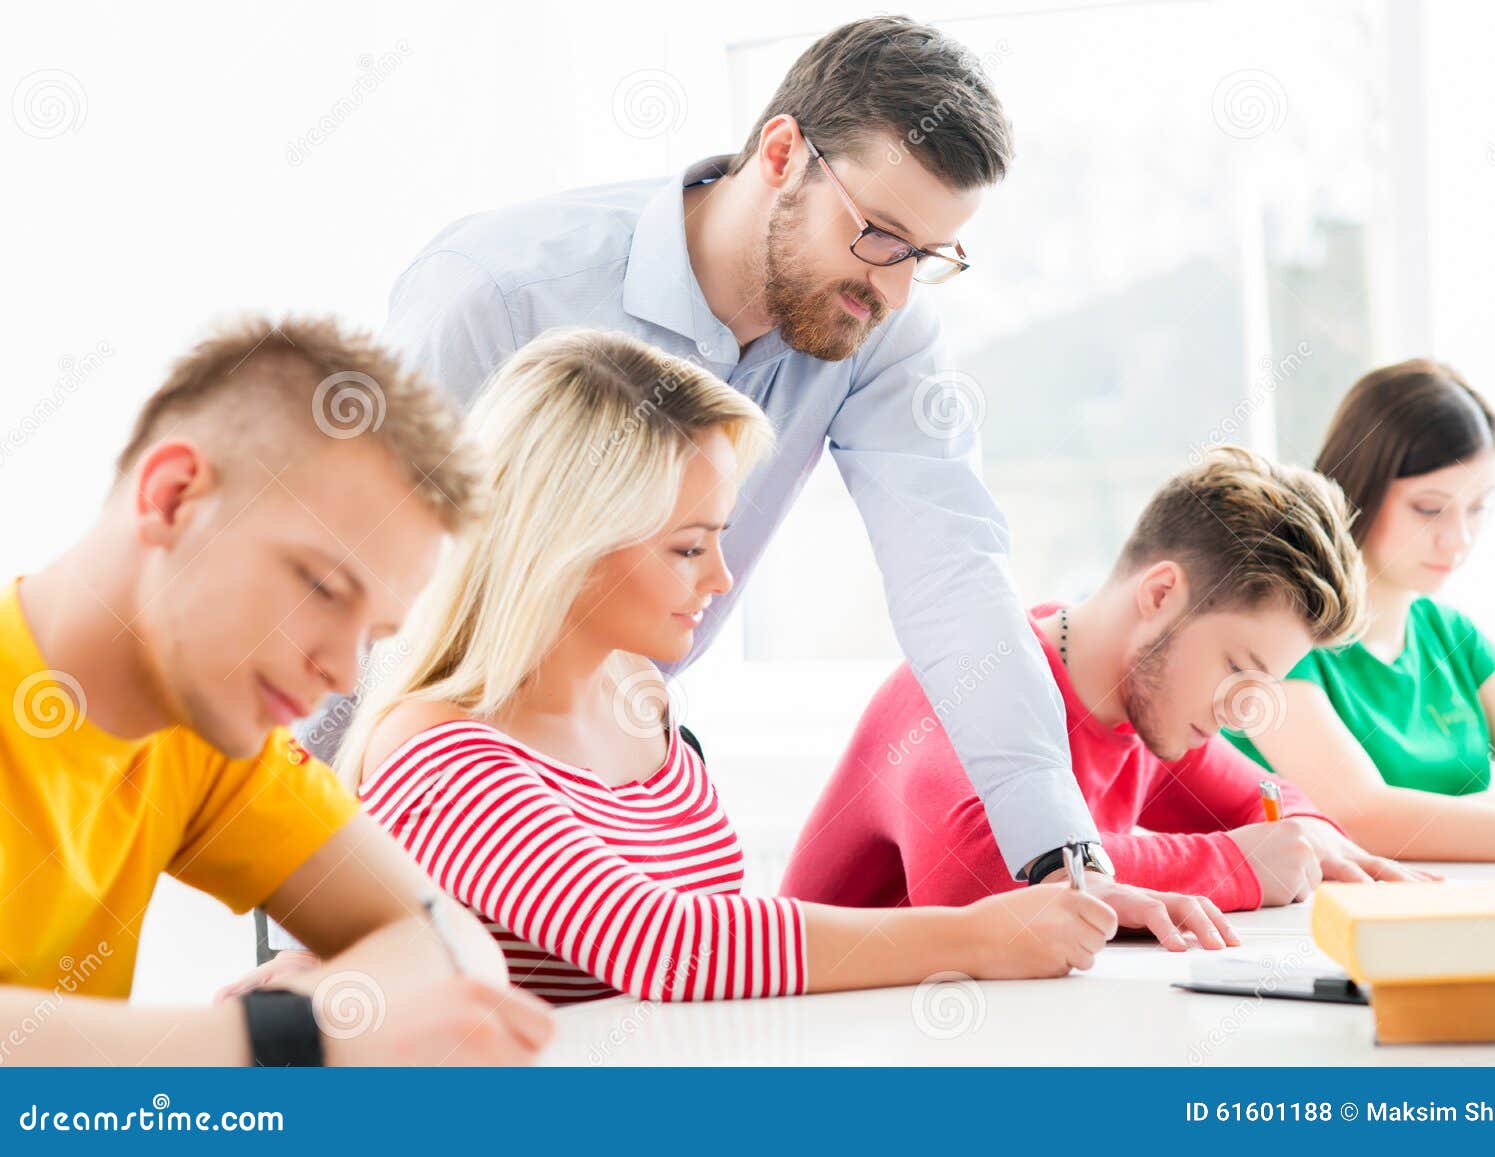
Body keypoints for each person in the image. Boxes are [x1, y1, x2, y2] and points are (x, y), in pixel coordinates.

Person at [326, 14, 1140, 907]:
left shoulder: (878, 323)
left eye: (929, 256)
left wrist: (1064, 857)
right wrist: (316, 917)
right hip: (414, 797)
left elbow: (952, 572)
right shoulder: (494, 294)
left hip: (624, 776)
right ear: (783, 153)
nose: (895, 289)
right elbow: (358, 591)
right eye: (878, 233)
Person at [332, 328, 1119, 1003]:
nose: (719, 577)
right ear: (565, 546)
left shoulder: (636, 690)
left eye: (718, 535)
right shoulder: (435, 754)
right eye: (687, 547)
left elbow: (724, 946)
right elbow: (667, 946)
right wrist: (970, 940)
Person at [0, 316, 553, 1065]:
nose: (343, 673)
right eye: (324, 587)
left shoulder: (205, 734)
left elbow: (450, 945)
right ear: (172, 497)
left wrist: (326, 1010)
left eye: (373, 633)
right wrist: (293, 1034)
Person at [781, 448, 1431, 935]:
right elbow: (983, 875)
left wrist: (1309, 834)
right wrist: (1232, 864)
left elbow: (1264, 799)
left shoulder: (1147, 710)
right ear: (1159, 595)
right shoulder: (974, 672)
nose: (1240, 711)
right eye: (1237, 666)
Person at [1228, 360, 1495, 859]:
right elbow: (1361, 819)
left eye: (1477, 508)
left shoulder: (1449, 634)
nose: (1458, 539)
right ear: (1357, 488)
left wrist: (1447, 820)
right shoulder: (1284, 637)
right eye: (1429, 509)